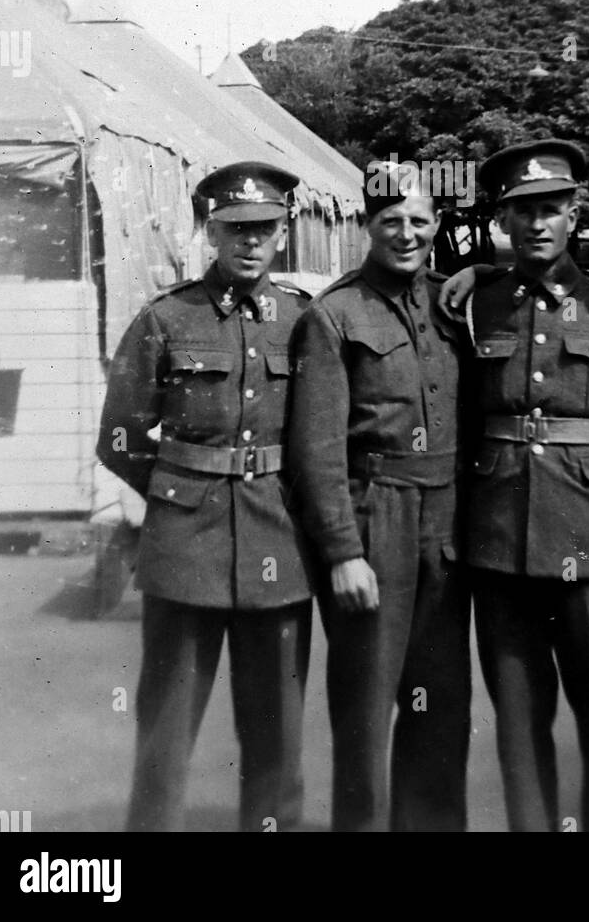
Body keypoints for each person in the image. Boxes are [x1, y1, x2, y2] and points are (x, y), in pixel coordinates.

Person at [96, 161, 314, 833]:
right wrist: (177, 491)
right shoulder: (166, 318)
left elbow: (322, 436)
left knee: (276, 728)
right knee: (166, 725)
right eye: (234, 230)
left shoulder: (304, 322)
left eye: (263, 229)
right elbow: (121, 436)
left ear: (283, 232)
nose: (249, 243)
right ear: (209, 232)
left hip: (277, 542)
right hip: (183, 547)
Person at [445, 140, 589, 832]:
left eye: (550, 209)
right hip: (499, 543)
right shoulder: (473, 304)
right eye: (522, 211)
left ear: (572, 213)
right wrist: (473, 272)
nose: (536, 224)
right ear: (502, 218)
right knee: (519, 724)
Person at [288, 161, 471, 832]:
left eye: (419, 220)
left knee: (442, 704)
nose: (405, 233)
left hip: (445, 525)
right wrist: (341, 551)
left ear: (436, 224)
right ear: (368, 226)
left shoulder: (453, 303)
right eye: (390, 221)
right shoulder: (333, 315)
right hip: (375, 521)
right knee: (365, 710)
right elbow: (316, 448)